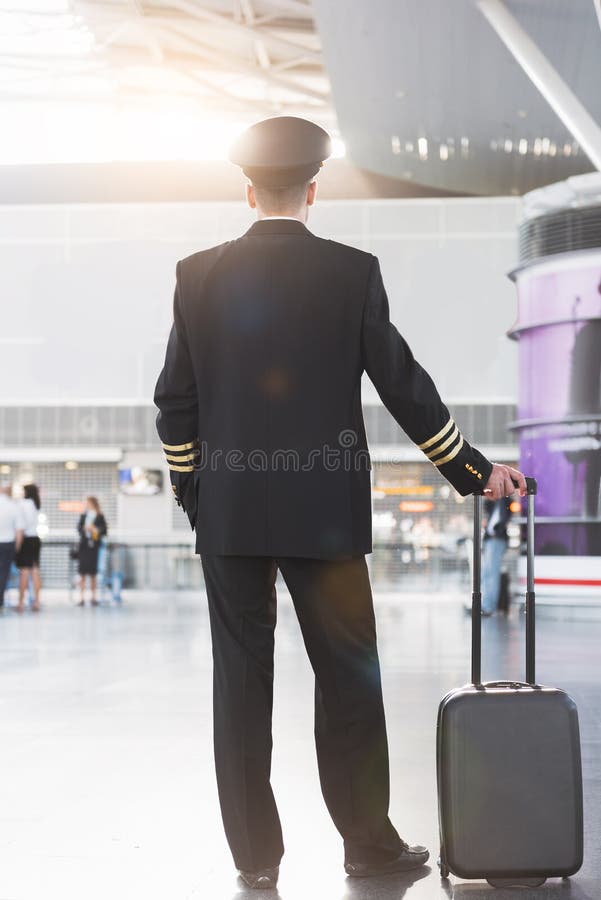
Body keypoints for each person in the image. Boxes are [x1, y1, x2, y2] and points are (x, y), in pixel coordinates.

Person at [154, 115, 527, 890]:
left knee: (240, 686)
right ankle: (367, 845)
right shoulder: (350, 272)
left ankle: (255, 860)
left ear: (248, 189)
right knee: (349, 682)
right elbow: (403, 386)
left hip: (228, 514)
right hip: (324, 517)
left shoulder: (196, 275)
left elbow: (174, 402)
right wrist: (472, 469)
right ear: (313, 191)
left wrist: (197, 492)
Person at [481, 496, 513, 616]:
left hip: (497, 540)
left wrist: (497, 532)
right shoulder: (493, 503)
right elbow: (487, 507)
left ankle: (489, 607)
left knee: (492, 574)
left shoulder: (503, 500)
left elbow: (504, 517)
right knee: (486, 573)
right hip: (490, 540)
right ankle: (485, 604)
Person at [14, 483, 42, 613]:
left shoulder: (23, 504)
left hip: (26, 540)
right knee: (35, 571)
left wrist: (17, 545)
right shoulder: (35, 504)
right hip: (35, 539)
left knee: (24, 572)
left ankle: (20, 603)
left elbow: (21, 526)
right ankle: (36, 601)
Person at [76, 497, 107, 607]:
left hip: (94, 547)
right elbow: (79, 529)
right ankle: (81, 598)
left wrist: (95, 529)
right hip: (84, 547)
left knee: (93, 573)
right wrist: (84, 529)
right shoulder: (84, 516)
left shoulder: (99, 516)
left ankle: (94, 597)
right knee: (82, 573)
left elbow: (104, 530)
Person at [0, 485, 24, 610]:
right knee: (3, 573)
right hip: (7, 544)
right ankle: (0, 602)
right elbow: (19, 530)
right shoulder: (14, 506)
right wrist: (16, 549)